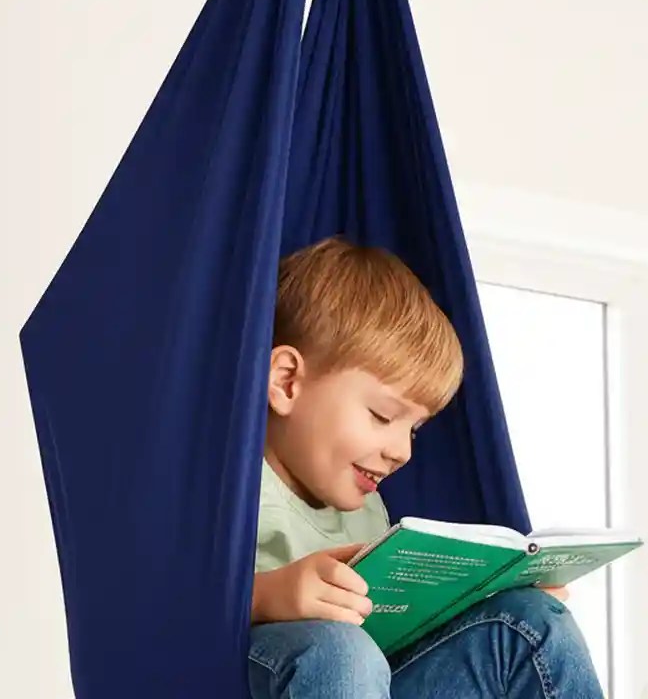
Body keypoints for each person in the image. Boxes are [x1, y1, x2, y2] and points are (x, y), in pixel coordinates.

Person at [248, 237, 605, 698]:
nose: (402, 452)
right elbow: (150, 605)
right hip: (258, 673)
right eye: (381, 416)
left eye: (414, 430)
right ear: (287, 381)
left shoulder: (367, 507)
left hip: (379, 679)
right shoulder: (230, 485)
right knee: (340, 650)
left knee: (532, 621)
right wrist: (264, 597)